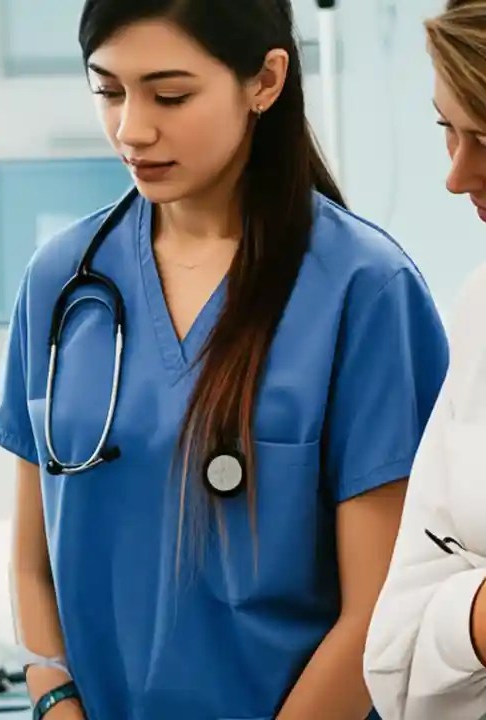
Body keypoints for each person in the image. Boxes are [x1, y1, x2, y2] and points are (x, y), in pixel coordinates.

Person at [0, 0, 450, 718]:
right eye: (108, 90)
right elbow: (31, 562)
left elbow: (378, 611)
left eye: (171, 95)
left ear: (264, 81)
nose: (132, 129)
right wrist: (55, 700)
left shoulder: (364, 289)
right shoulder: (61, 280)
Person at [363, 2, 486, 717]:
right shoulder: (480, 308)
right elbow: (395, 657)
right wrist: (475, 615)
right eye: (448, 130)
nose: (458, 173)